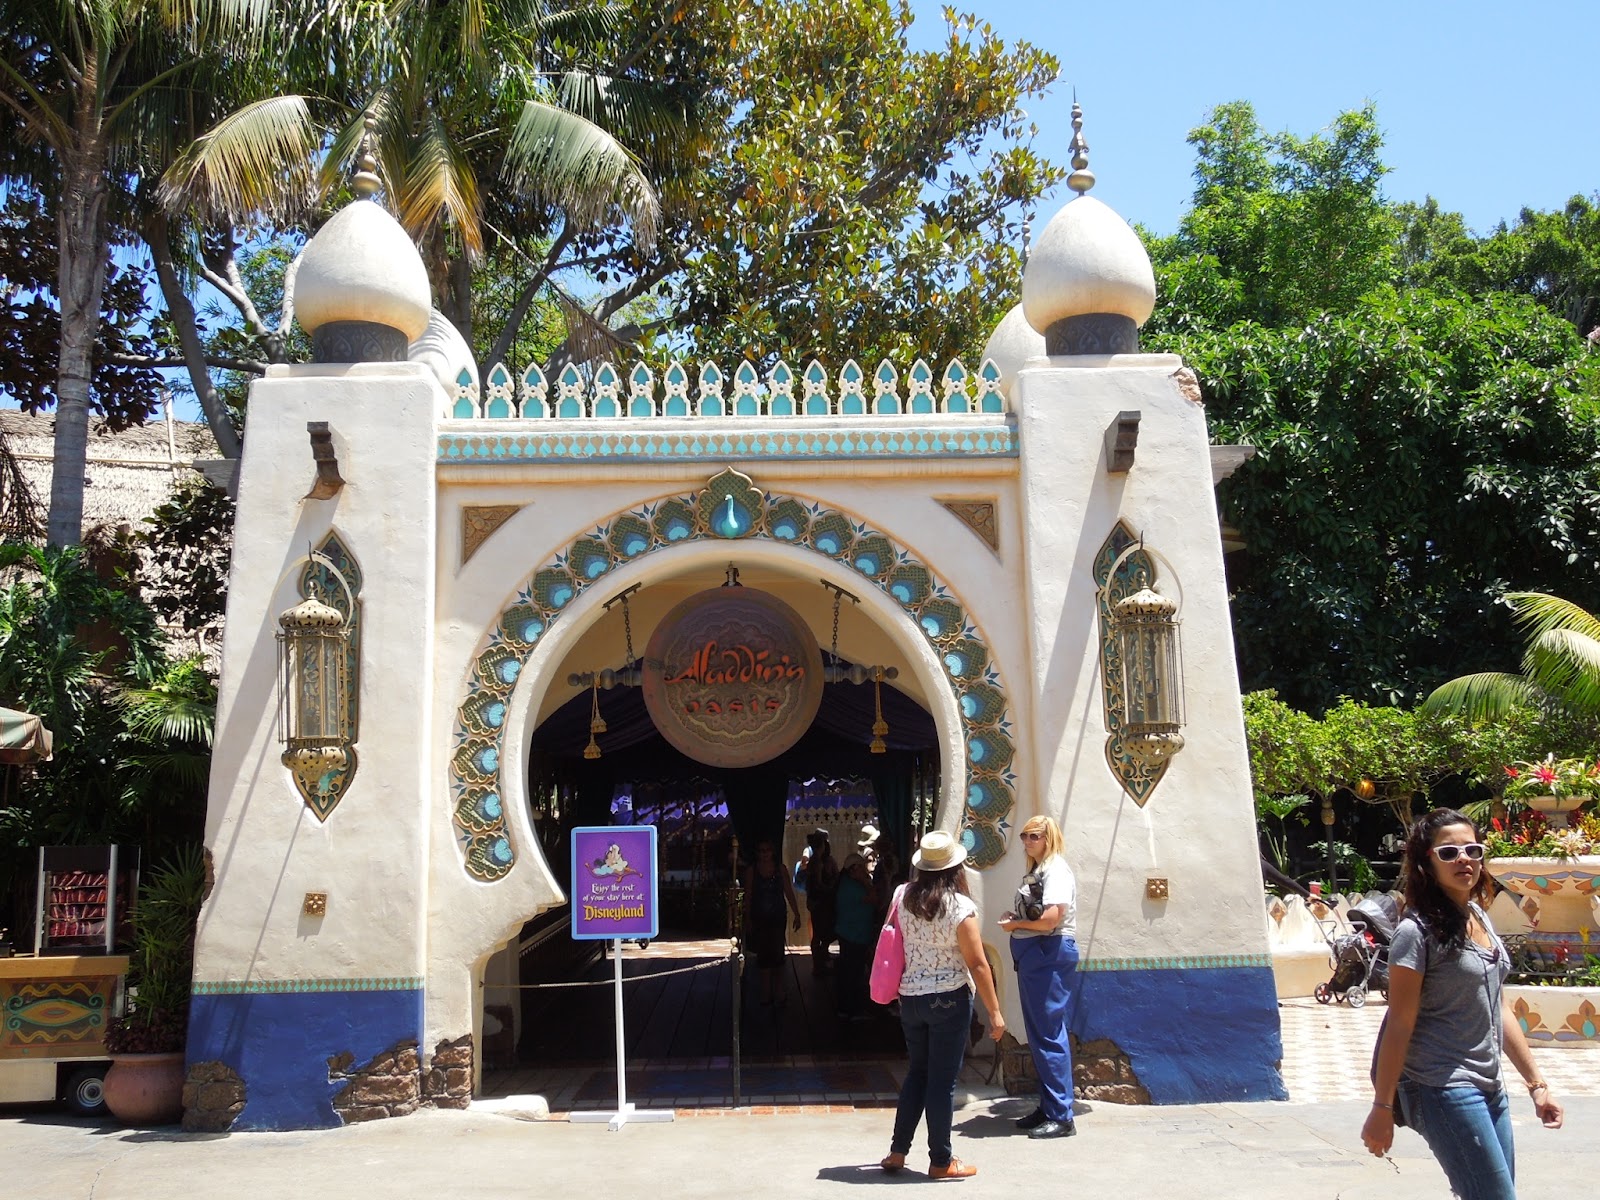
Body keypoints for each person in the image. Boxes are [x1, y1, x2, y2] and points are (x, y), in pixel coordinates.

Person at [1362, 808, 1563, 1199]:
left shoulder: (1477, 916)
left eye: (1472, 849)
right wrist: (1382, 1108)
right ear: (1426, 863)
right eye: (1449, 853)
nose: (1464, 859)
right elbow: (1400, 1022)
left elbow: (1497, 1007)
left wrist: (1537, 1085)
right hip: (1442, 1086)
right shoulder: (1414, 933)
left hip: (1490, 1086)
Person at [881, 831, 1006, 1180]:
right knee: (941, 1082)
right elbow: (978, 963)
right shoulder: (960, 907)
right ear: (955, 867)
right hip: (948, 999)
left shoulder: (902, 896)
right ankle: (940, 1160)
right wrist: (995, 1011)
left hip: (911, 1000)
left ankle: (897, 1150)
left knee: (917, 1074)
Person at [998, 814, 1079, 1140]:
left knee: (1048, 1033)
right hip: (1037, 957)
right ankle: (1049, 1106)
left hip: (1048, 952)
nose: (1028, 842)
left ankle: (1061, 1115)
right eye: (1024, 836)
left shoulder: (1056, 870)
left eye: (1034, 836)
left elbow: (1049, 921)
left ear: (1049, 838)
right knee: (1040, 1032)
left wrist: (1016, 925)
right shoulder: (1040, 870)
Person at [743, 839, 802, 1006]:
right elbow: (746, 895)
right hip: (759, 918)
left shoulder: (780, 869)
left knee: (778, 955)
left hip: (777, 918)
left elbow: (789, 891)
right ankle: (765, 992)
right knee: (763, 956)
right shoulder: (751, 871)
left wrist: (797, 913)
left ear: (773, 852)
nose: (764, 854)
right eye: (761, 850)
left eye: (767, 850)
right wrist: (746, 918)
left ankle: (779, 990)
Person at [834, 851, 878, 1020]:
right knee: (853, 974)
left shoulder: (847, 883)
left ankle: (847, 1008)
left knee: (850, 972)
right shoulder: (852, 887)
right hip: (853, 936)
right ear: (853, 870)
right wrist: (865, 882)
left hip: (853, 934)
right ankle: (852, 1010)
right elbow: (875, 899)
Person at [804, 829, 839, 975]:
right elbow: (817, 884)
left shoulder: (816, 861)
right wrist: (830, 889)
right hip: (821, 902)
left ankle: (820, 962)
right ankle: (819, 964)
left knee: (820, 933)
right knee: (821, 933)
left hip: (816, 901)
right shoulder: (817, 861)